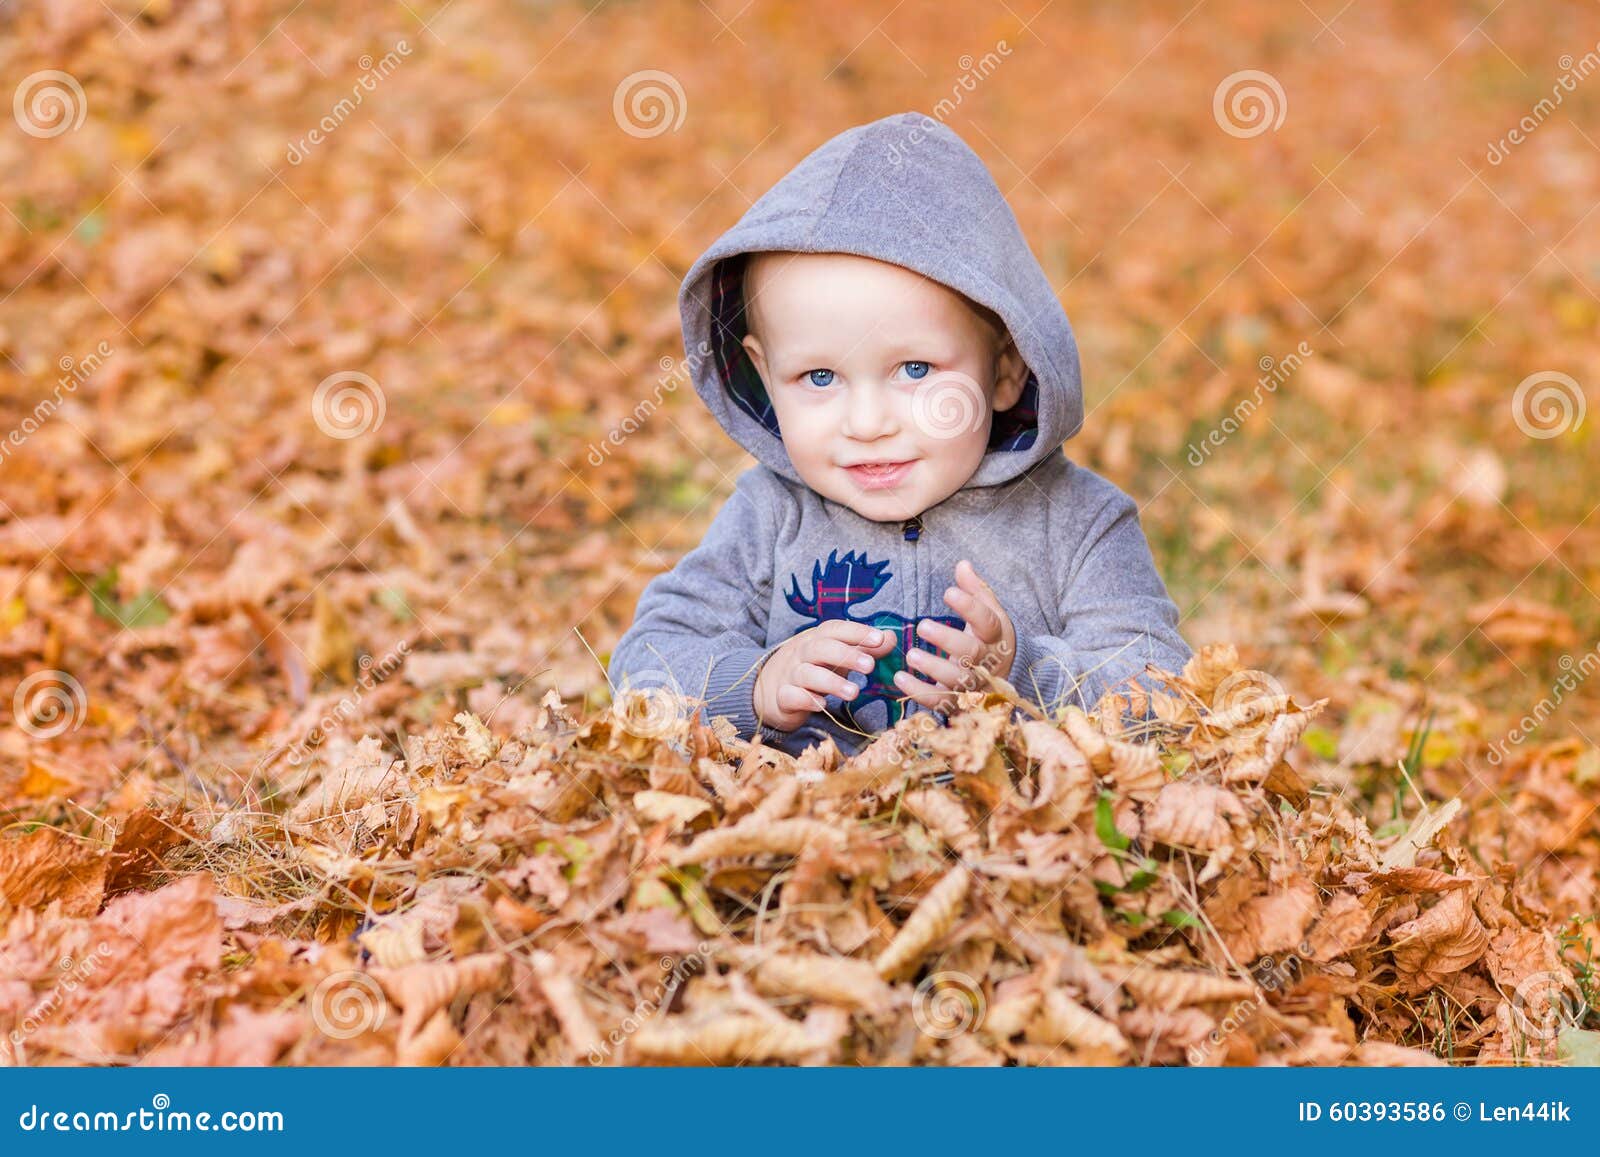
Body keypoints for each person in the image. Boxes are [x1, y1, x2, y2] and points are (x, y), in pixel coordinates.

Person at [608, 111, 1192, 756]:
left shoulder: (1080, 522)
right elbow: (645, 662)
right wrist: (754, 684)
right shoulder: (770, 514)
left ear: (1005, 370)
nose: (867, 423)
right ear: (764, 372)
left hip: (1014, 842)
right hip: (810, 838)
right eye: (819, 377)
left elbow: (1164, 696)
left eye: (914, 370)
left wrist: (1019, 675)